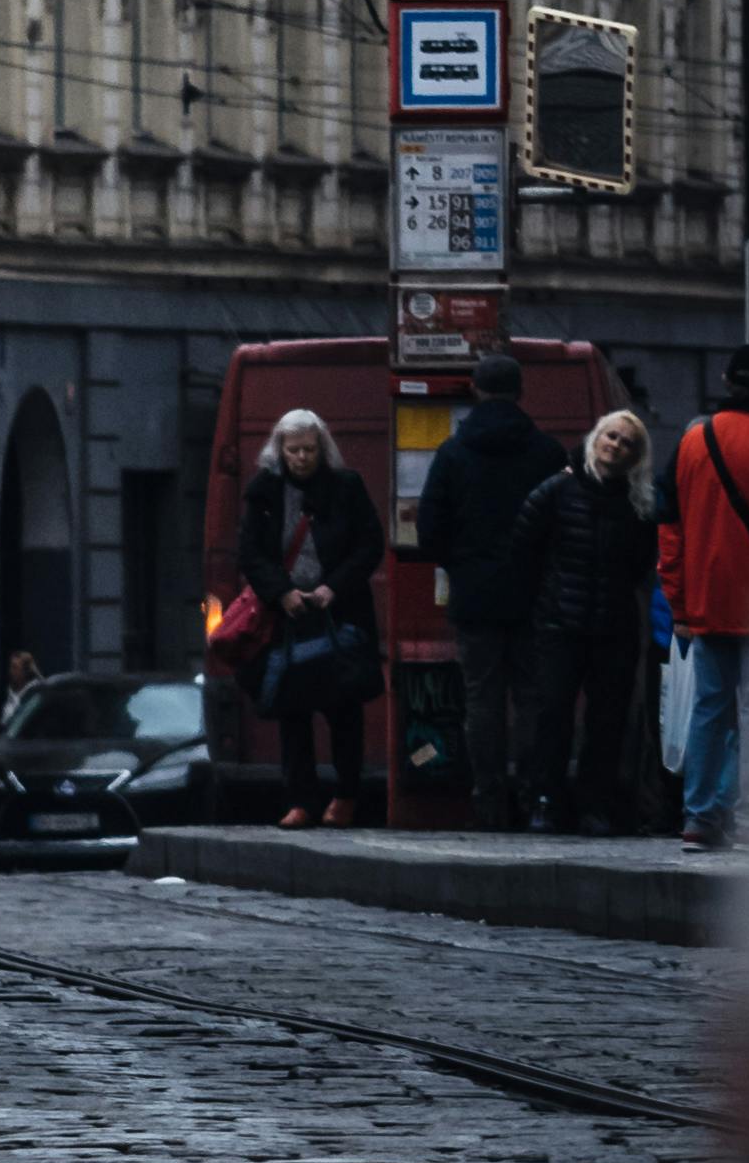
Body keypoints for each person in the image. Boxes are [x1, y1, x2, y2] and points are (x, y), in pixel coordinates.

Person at [412, 347, 567, 831]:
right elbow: (562, 523)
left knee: (481, 699)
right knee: (531, 698)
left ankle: (488, 800)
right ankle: (533, 795)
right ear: (521, 392)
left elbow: (430, 526)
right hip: (533, 592)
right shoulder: (546, 451)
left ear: (476, 390)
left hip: (475, 592)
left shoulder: (454, 452)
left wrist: (459, 563)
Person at [653, 341, 749, 856]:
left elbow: (669, 530)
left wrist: (680, 603)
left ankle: (700, 819)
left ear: (726, 381)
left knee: (708, 710)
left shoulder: (692, 440)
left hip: (705, 601)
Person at [513, 409, 658, 834]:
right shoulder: (556, 491)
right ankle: (546, 801)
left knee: (607, 722)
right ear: (595, 439)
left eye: (627, 442)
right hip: (559, 626)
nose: (616, 445)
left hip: (613, 629)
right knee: (552, 717)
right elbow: (523, 549)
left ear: (636, 456)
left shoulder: (638, 503)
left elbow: (640, 564)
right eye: (611, 436)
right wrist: (542, 606)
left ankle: (595, 803)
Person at [239, 406, 384, 824]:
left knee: (343, 708)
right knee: (292, 711)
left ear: (322, 449)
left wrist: (333, 587)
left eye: (308, 449)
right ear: (279, 450)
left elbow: (368, 545)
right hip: (287, 617)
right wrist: (281, 593)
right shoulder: (263, 491)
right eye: (293, 450)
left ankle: (347, 795)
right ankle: (300, 800)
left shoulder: (346, 487)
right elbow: (251, 552)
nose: (301, 457)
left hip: (339, 613)